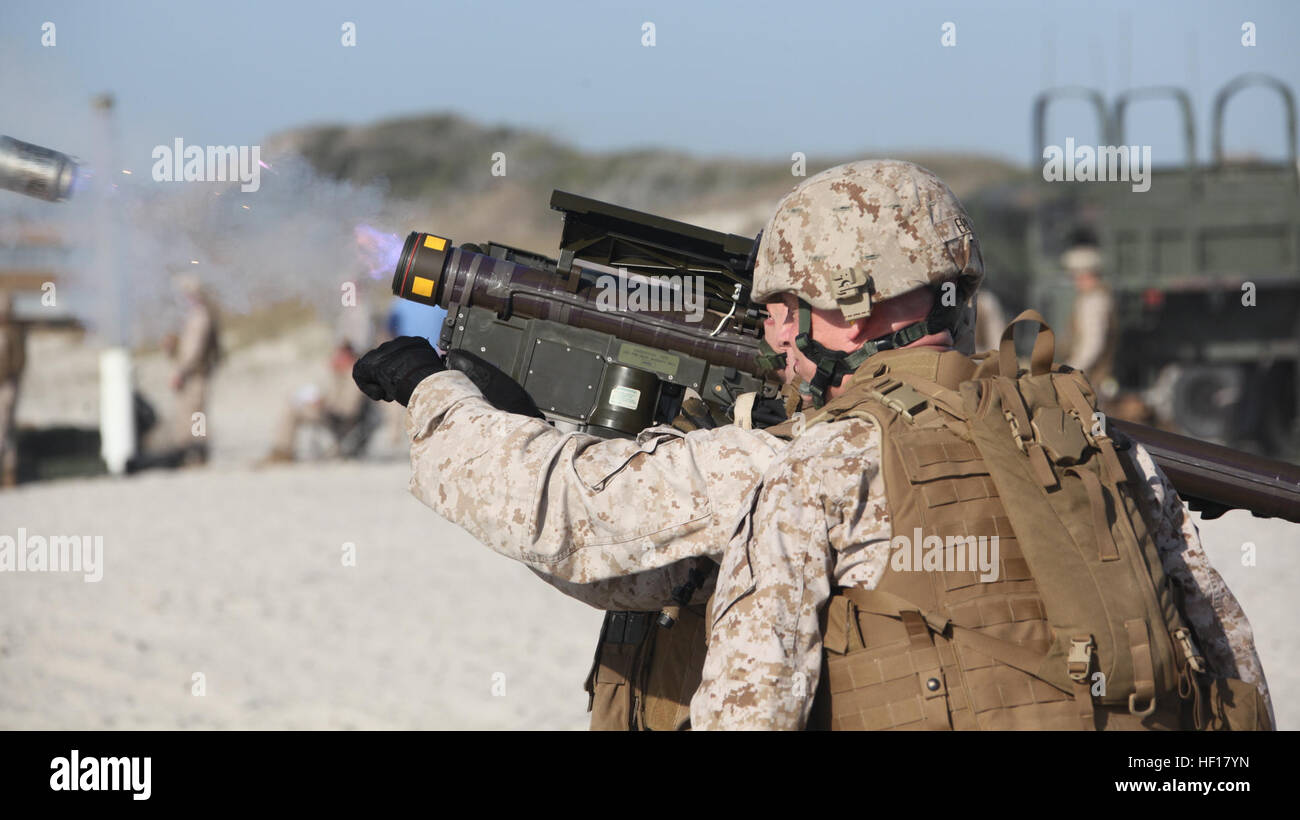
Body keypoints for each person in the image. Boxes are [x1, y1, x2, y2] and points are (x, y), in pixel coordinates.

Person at [353, 160, 1271, 730]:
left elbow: (577, 517)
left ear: (853, 302)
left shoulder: (818, 467)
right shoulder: (1108, 449)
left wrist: (437, 395)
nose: (777, 334)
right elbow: (1233, 682)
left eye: (787, 305)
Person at [260, 341, 373, 464]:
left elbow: (349, 408)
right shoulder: (338, 374)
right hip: (329, 412)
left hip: (338, 417)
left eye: (340, 355)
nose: (336, 357)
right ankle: (282, 450)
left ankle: (283, 451)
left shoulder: (355, 378)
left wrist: (325, 404)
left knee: (292, 410)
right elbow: (326, 392)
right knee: (292, 405)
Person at [167, 275, 221, 465]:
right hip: (194, 372)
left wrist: (181, 372)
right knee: (192, 414)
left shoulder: (200, 317)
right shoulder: (198, 316)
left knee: (196, 415)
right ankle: (193, 453)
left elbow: (193, 351)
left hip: (195, 374)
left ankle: (197, 453)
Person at [1061, 244, 1117, 393]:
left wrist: (1072, 370)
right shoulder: (1096, 298)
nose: (1075, 282)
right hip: (1090, 376)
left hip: (1092, 378)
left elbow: (1093, 343)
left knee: (1093, 415)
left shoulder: (1094, 301)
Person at [0, 289, 26, 489]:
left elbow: (16, 363)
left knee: (4, 430)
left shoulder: (13, 333)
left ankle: (9, 473)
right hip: (7, 384)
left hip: (7, 385)